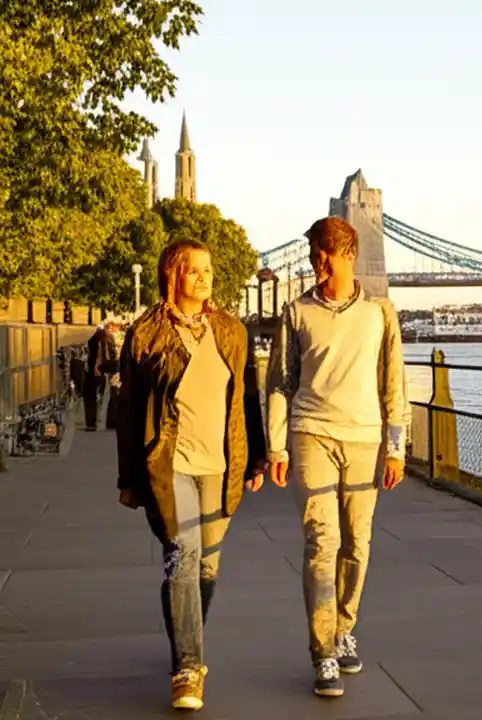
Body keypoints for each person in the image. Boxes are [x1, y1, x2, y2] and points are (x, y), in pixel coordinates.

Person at [115, 239, 267, 711]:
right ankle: (187, 667)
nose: (205, 278)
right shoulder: (145, 335)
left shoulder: (231, 331)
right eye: (194, 270)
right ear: (172, 275)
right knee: (182, 556)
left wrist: (258, 456)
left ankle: (187, 634)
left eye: (208, 270)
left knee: (207, 566)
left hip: (221, 467)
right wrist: (127, 479)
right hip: (171, 465)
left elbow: (246, 398)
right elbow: (128, 410)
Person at [265, 216, 409, 698]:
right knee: (321, 542)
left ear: (348, 253)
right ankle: (323, 651)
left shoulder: (380, 313)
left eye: (324, 253)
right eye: (312, 254)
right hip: (312, 434)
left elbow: (394, 384)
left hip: (367, 440)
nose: (316, 263)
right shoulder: (296, 312)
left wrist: (396, 449)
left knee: (357, 544)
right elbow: (280, 384)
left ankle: (344, 628)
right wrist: (276, 445)